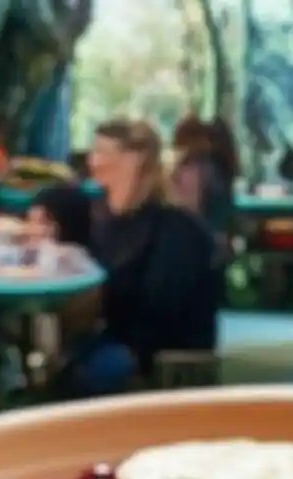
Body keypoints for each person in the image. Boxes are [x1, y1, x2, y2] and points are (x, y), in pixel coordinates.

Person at [74, 119, 220, 394]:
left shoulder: (176, 228)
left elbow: (162, 308)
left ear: (135, 160)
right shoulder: (112, 219)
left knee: (82, 373)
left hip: (159, 355)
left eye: (104, 152)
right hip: (122, 338)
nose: (93, 161)